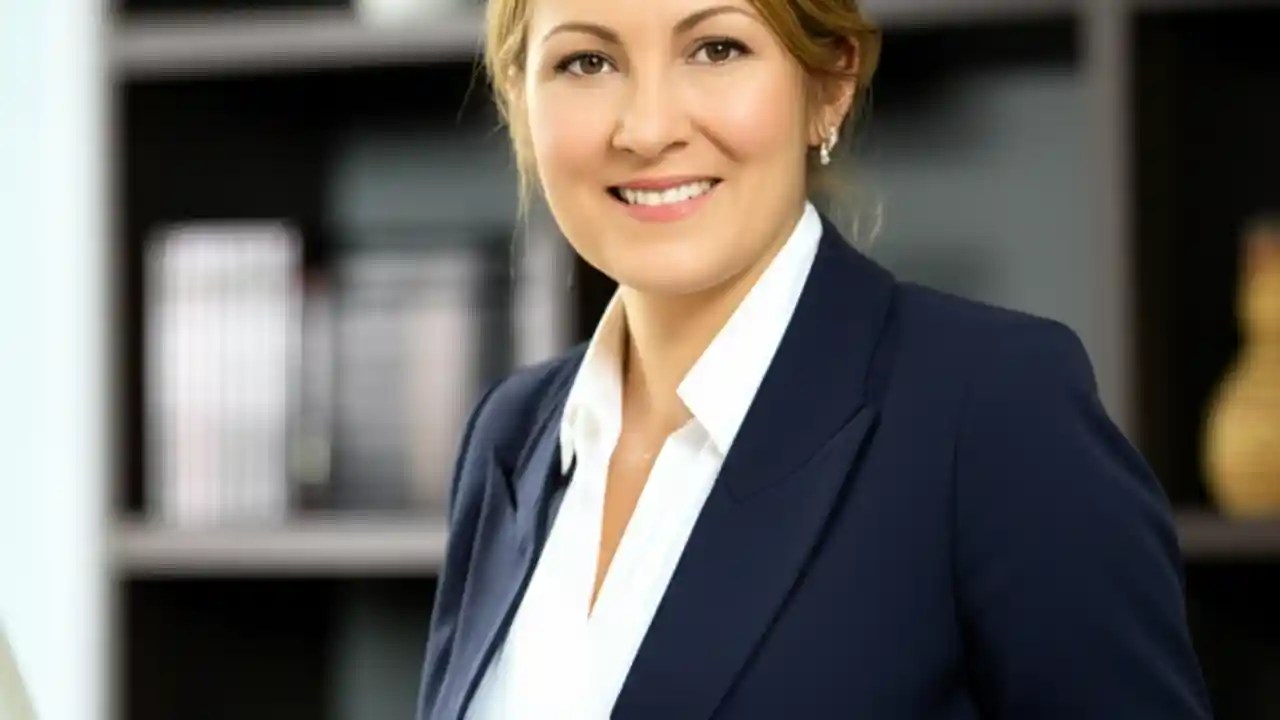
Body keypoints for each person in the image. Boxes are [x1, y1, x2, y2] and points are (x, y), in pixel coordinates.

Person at [416, 0, 1213, 717]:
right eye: (587, 62)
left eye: (716, 49)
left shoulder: (996, 413)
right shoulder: (510, 436)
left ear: (829, 83)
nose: (648, 126)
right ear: (520, 97)